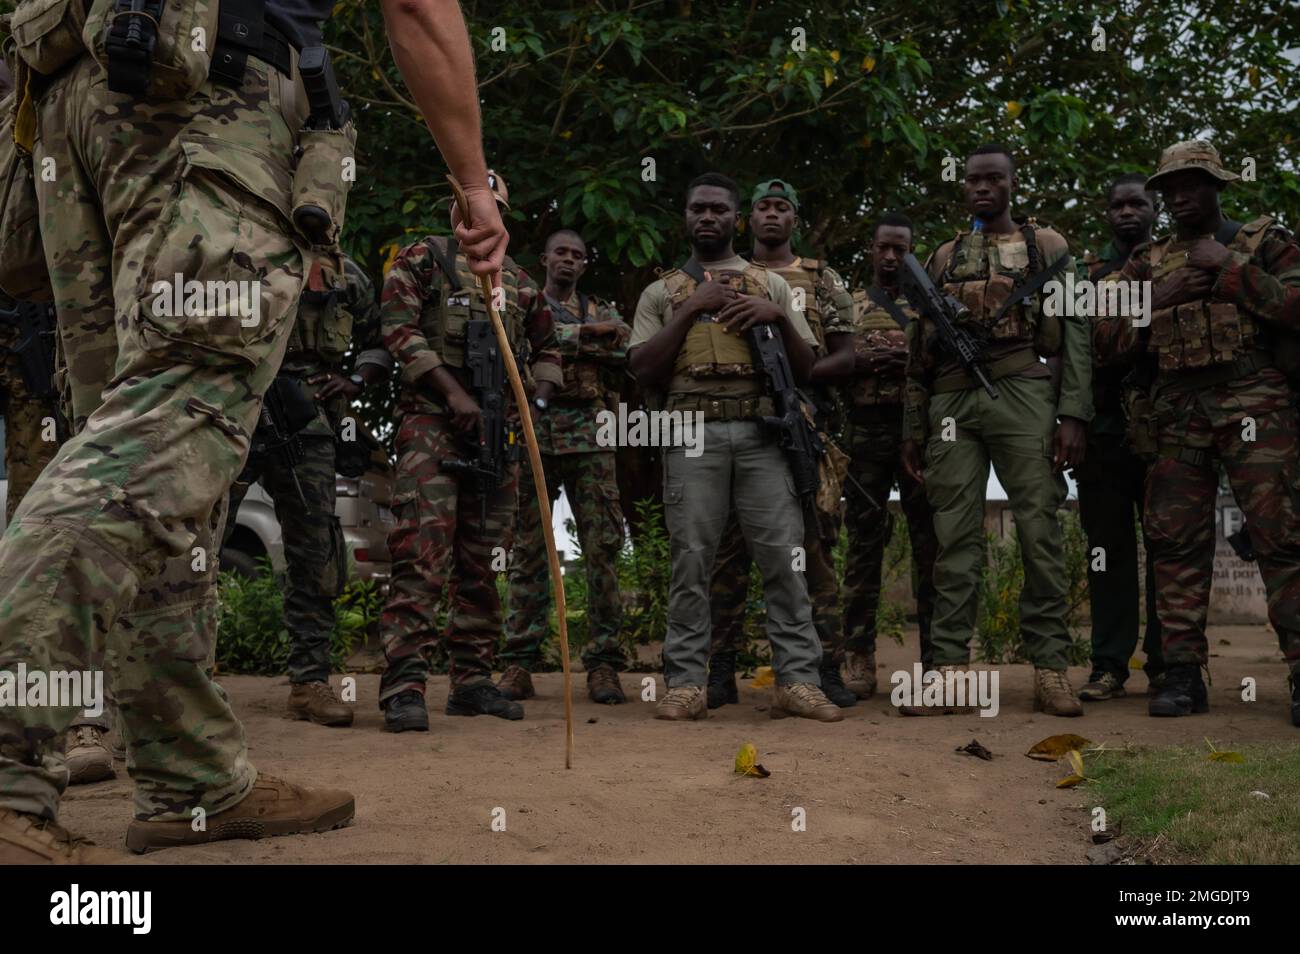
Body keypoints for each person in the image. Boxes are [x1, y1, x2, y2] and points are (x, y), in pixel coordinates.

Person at [0, 0, 509, 863]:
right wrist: (473, 182)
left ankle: (191, 778)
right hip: (206, 109)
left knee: (140, 451)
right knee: (171, 425)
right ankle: (12, 766)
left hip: (76, 114)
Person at [1094, 140, 1300, 724]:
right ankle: (1181, 677)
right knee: (1175, 544)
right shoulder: (1147, 261)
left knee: (1281, 537)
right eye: (1170, 188)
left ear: (1217, 186)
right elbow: (1101, 342)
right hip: (1176, 409)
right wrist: (1158, 298)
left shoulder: (1264, 242)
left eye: (1192, 184)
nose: (1180, 196)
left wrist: (1232, 273)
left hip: (1256, 401)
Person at [628, 172, 841, 723]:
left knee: (784, 559)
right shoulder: (661, 291)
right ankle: (685, 684)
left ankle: (797, 681)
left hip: (762, 436)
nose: (707, 218)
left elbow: (809, 368)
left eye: (719, 210)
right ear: (686, 217)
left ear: (734, 218)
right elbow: (643, 368)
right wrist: (691, 307)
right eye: (698, 208)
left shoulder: (770, 286)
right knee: (691, 561)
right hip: (689, 436)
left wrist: (777, 317)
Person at [900, 144, 1092, 717]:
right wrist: (913, 426)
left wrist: (1073, 414)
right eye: (973, 181)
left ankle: (1051, 670)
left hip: (1022, 392)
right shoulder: (941, 255)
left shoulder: (1048, 247)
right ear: (964, 188)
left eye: (994, 179)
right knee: (953, 534)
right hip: (952, 401)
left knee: (1040, 531)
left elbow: (1075, 329)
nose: (983, 188)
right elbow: (917, 351)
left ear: (1012, 184)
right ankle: (949, 670)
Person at [377, 170, 562, 731]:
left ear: (500, 214)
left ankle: (473, 681)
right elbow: (398, 331)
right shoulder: (419, 260)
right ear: (452, 211)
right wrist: (453, 393)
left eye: (490, 209)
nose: (477, 219)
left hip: (498, 432)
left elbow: (549, 347)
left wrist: (536, 400)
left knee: (484, 560)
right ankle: (405, 685)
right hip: (432, 423)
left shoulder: (522, 282)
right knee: (422, 553)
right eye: (467, 209)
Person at [705, 178, 858, 709]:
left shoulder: (821, 279)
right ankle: (717, 671)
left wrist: (803, 373)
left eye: (783, 207)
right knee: (726, 552)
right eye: (763, 207)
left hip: (800, 426)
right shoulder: (725, 274)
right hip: (735, 424)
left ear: (795, 219)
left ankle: (825, 668)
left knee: (811, 550)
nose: (772, 215)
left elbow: (846, 356)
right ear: (748, 219)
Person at [223, 255, 391, 728]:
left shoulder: (348, 274)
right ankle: (179, 681)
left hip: (307, 422)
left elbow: (379, 344)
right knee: (199, 543)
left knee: (314, 550)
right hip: (235, 412)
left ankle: (309, 682)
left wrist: (354, 379)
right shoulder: (239, 252)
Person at [498, 229, 631, 705]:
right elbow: (519, 346)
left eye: (578, 254)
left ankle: (604, 664)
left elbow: (622, 348)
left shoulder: (603, 311)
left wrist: (573, 338)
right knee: (530, 551)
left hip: (592, 440)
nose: (569, 261)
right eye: (561, 253)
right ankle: (519, 662)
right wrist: (585, 338)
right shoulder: (525, 304)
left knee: (603, 550)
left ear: (585, 264)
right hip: (536, 433)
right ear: (545, 258)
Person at [814, 213, 938, 697]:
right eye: (884, 248)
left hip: (919, 437)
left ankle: (934, 661)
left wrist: (906, 361)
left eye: (901, 249)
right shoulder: (852, 305)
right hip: (863, 436)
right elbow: (826, 364)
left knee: (929, 546)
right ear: (871, 250)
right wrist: (862, 362)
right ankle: (858, 658)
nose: (891, 256)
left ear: (912, 251)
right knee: (863, 548)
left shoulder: (928, 308)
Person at [1074, 174, 1166, 702]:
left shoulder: (1174, 263)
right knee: (1105, 554)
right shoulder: (1087, 276)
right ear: (1106, 213)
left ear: (1154, 210)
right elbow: (1072, 358)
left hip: (1169, 435)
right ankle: (1108, 666)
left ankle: (1167, 664)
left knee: (1168, 553)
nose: (1128, 212)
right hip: (1105, 434)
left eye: (1138, 203)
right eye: (1118, 205)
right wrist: (1070, 426)